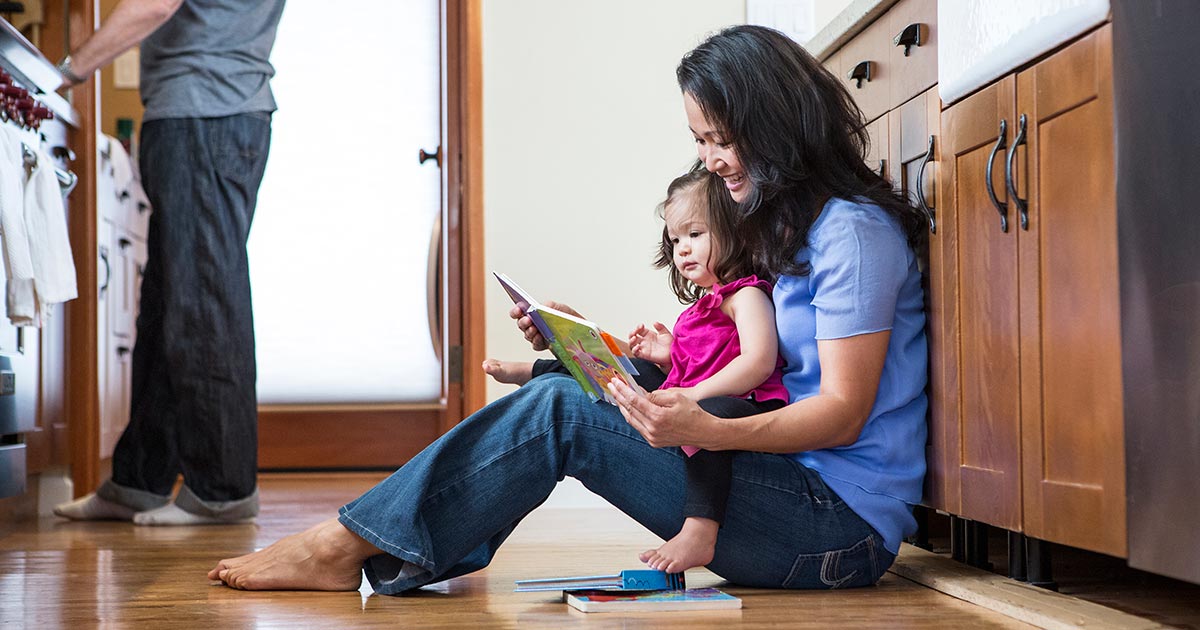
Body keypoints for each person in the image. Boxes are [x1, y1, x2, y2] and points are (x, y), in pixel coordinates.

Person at [208, 24, 929, 592]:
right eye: (699, 140)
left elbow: (842, 414)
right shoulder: (793, 230)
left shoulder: (852, 234)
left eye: (720, 139)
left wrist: (706, 426)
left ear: (774, 125)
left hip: (835, 530)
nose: (710, 160)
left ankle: (344, 547)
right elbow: (736, 370)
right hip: (788, 485)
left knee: (561, 414)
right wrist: (588, 343)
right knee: (578, 386)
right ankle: (377, 548)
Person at [483, 165, 789, 573]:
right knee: (628, 371)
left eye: (695, 234)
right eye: (676, 239)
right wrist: (665, 355)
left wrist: (692, 395)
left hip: (743, 405)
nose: (682, 249)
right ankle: (539, 370)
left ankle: (700, 531)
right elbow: (698, 361)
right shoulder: (704, 306)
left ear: (737, 231)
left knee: (709, 413)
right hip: (698, 393)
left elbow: (758, 361)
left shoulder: (747, 295)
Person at [53, 0, 286, 526]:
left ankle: (222, 490)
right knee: (167, 309)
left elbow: (154, 4)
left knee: (202, 306)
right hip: (208, 113)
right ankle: (138, 481)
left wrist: (67, 71)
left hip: (204, 114)